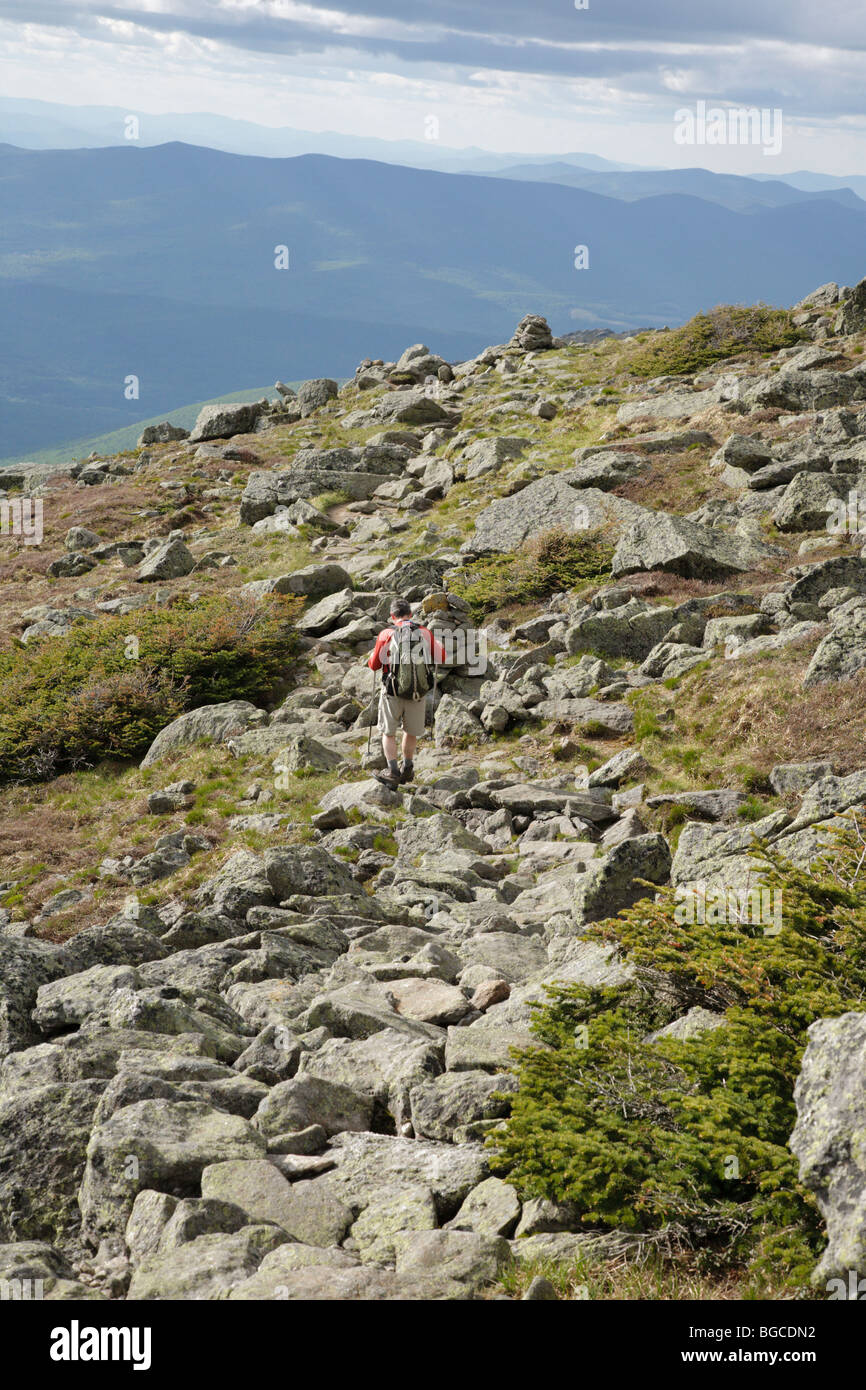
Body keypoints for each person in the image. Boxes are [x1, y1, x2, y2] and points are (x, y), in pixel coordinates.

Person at [367, 598, 446, 787]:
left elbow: (374, 665)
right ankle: (408, 768)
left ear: (392, 616)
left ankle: (393, 771)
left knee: (388, 732)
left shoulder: (387, 633)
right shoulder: (424, 632)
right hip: (417, 692)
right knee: (410, 731)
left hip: (392, 691)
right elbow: (441, 658)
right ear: (410, 614)